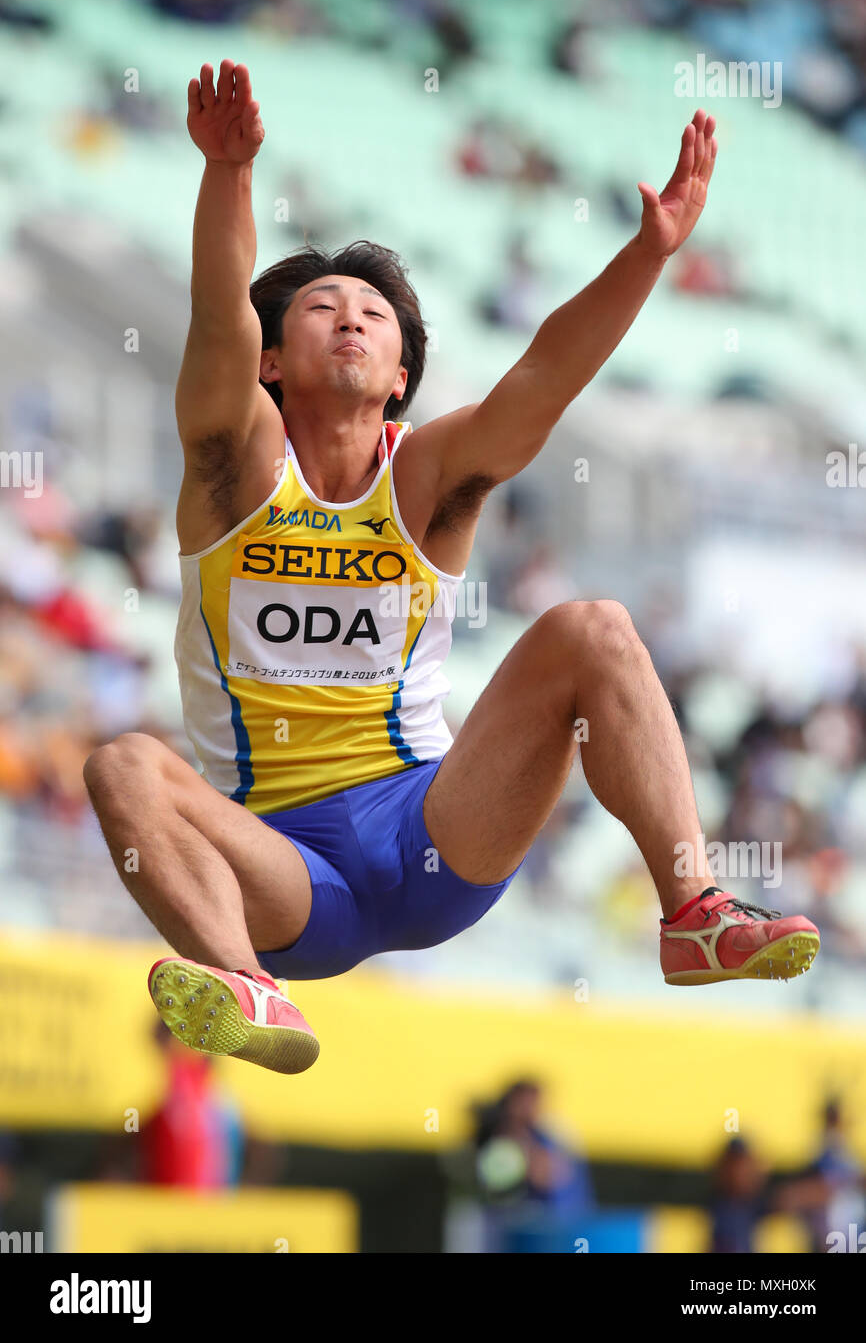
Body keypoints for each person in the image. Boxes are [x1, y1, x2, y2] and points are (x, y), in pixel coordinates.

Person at [83, 60, 820, 1077]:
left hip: (435, 838)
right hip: (286, 881)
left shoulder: (427, 475)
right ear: (268, 358)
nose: (348, 316)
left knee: (592, 628)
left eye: (372, 315)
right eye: (320, 307)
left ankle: (691, 909)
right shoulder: (232, 471)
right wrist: (230, 173)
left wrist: (647, 257)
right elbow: (216, 319)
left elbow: (543, 374)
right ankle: (245, 984)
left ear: (398, 378)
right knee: (122, 763)